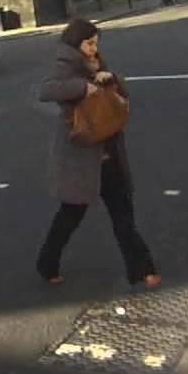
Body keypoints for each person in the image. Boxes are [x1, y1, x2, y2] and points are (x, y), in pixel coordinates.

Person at [36, 18, 160, 290]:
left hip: (109, 148)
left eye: (96, 43)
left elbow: (120, 91)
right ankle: (47, 262)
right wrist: (82, 86)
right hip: (82, 154)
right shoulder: (65, 64)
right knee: (71, 215)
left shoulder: (95, 62)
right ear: (76, 42)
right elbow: (46, 90)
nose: (94, 49)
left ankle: (142, 269)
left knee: (123, 215)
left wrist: (111, 78)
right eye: (89, 43)